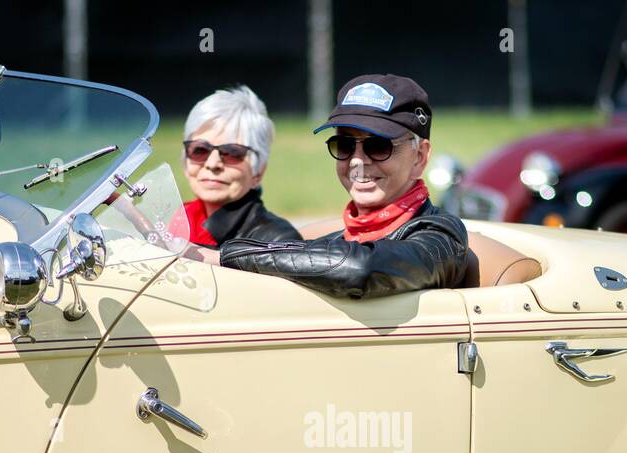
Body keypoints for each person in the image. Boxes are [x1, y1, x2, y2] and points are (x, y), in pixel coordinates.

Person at [218, 74, 470, 298]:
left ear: (419, 157)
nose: (358, 160)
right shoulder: (337, 243)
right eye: (345, 145)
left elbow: (361, 270)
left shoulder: (442, 236)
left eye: (379, 146)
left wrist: (223, 256)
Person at [180, 85, 299, 248]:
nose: (213, 164)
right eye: (199, 150)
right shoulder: (174, 220)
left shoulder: (277, 242)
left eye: (232, 153)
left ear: (258, 172)